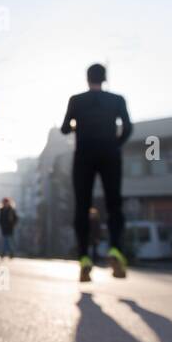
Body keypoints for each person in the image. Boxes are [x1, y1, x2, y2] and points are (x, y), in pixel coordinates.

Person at [60, 64, 132, 282]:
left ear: (87, 79)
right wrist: (115, 144)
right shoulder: (117, 100)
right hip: (110, 154)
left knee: (82, 206)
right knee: (114, 204)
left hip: (83, 155)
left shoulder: (76, 100)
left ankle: (84, 258)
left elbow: (64, 128)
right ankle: (115, 250)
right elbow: (128, 128)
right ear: (104, 79)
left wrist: (77, 127)